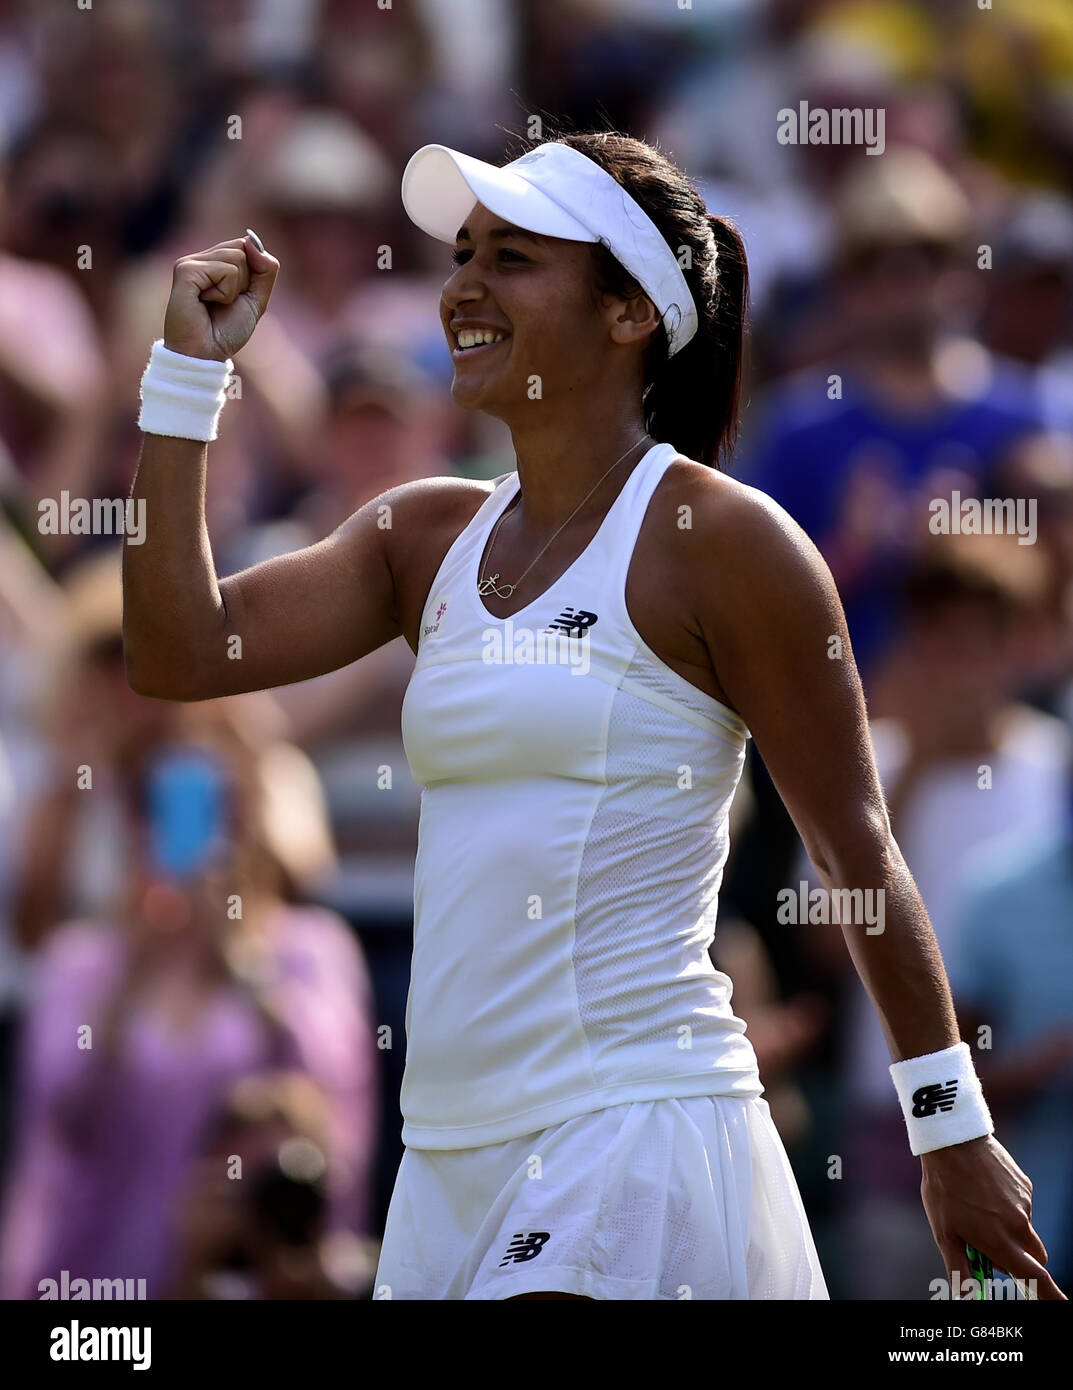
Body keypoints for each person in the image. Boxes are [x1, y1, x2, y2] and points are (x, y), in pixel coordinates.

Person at [121, 129, 1063, 1301]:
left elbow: (851, 847)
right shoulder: (421, 536)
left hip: (635, 1129)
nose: (461, 284)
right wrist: (185, 378)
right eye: (462, 253)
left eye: (511, 257)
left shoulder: (728, 543)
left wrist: (948, 1132)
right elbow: (175, 648)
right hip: (443, 1165)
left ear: (628, 314)